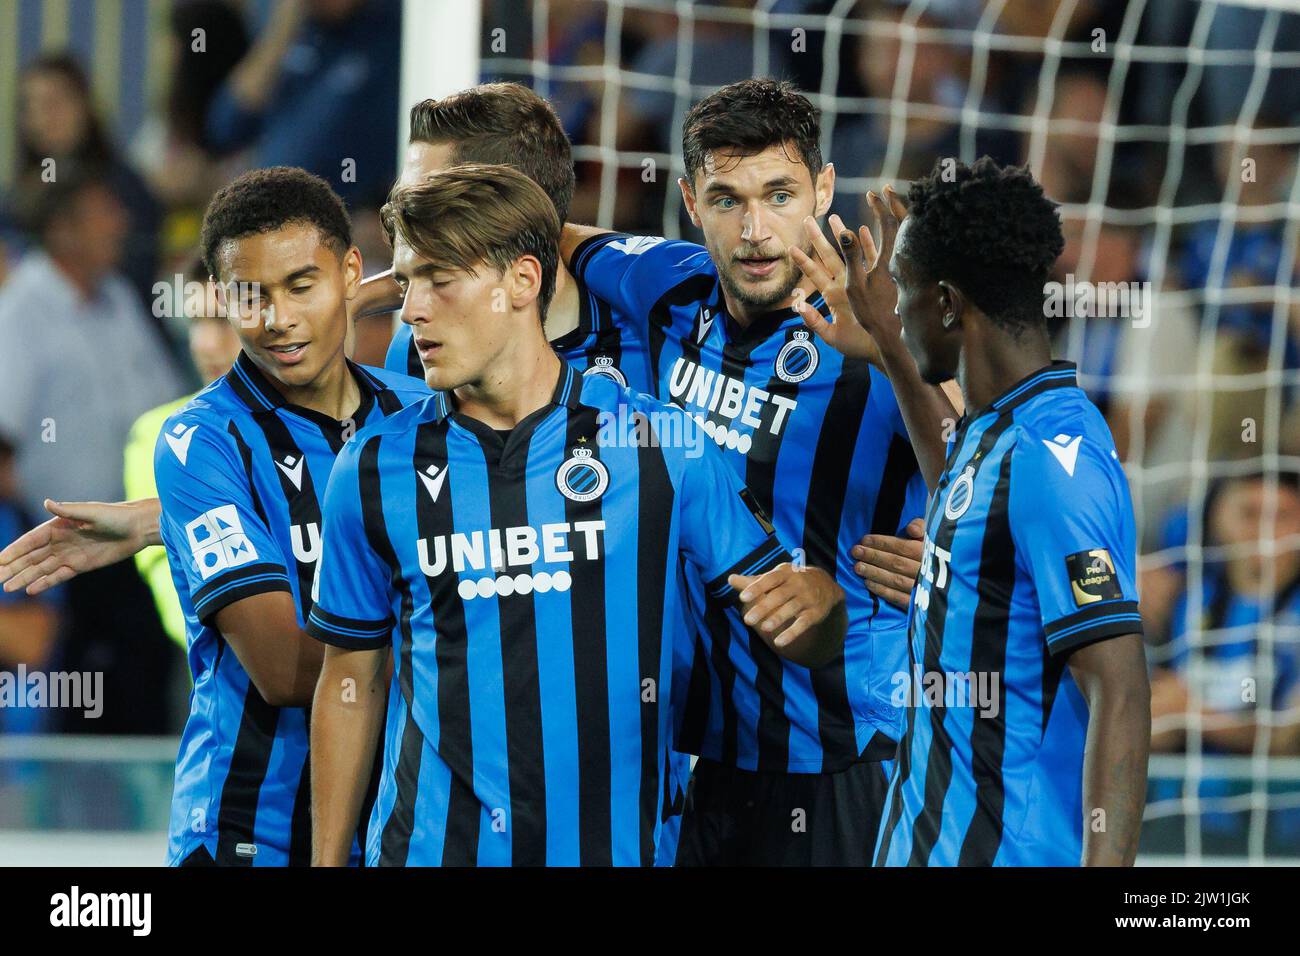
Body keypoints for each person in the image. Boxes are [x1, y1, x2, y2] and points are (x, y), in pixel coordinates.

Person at [307, 164, 847, 866]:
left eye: (440, 279)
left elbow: (798, 627)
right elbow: (351, 679)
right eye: (407, 281)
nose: (411, 308)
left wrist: (823, 606)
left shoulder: (659, 445)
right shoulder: (372, 468)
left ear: (524, 282)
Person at [560, 79, 954, 865]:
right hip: (704, 755)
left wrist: (945, 552)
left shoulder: (881, 333)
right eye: (726, 199)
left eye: (780, 195)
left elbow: (981, 474)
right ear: (688, 201)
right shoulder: (669, 286)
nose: (755, 230)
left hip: (846, 753)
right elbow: (548, 237)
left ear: (825, 189)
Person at [795, 155, 1150, 865]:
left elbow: (1120, 686)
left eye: (905, 291)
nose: (892, 307)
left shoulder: (1055, 458)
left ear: (950, 304)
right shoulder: (994, 427)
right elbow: (956, 485)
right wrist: (892, 350)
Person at [124, 263, 242, 650]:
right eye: (195, 322)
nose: (205, 343)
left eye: (222, 320)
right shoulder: (158, 433)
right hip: (223, 677)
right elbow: (175, 594)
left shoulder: (329, 424)